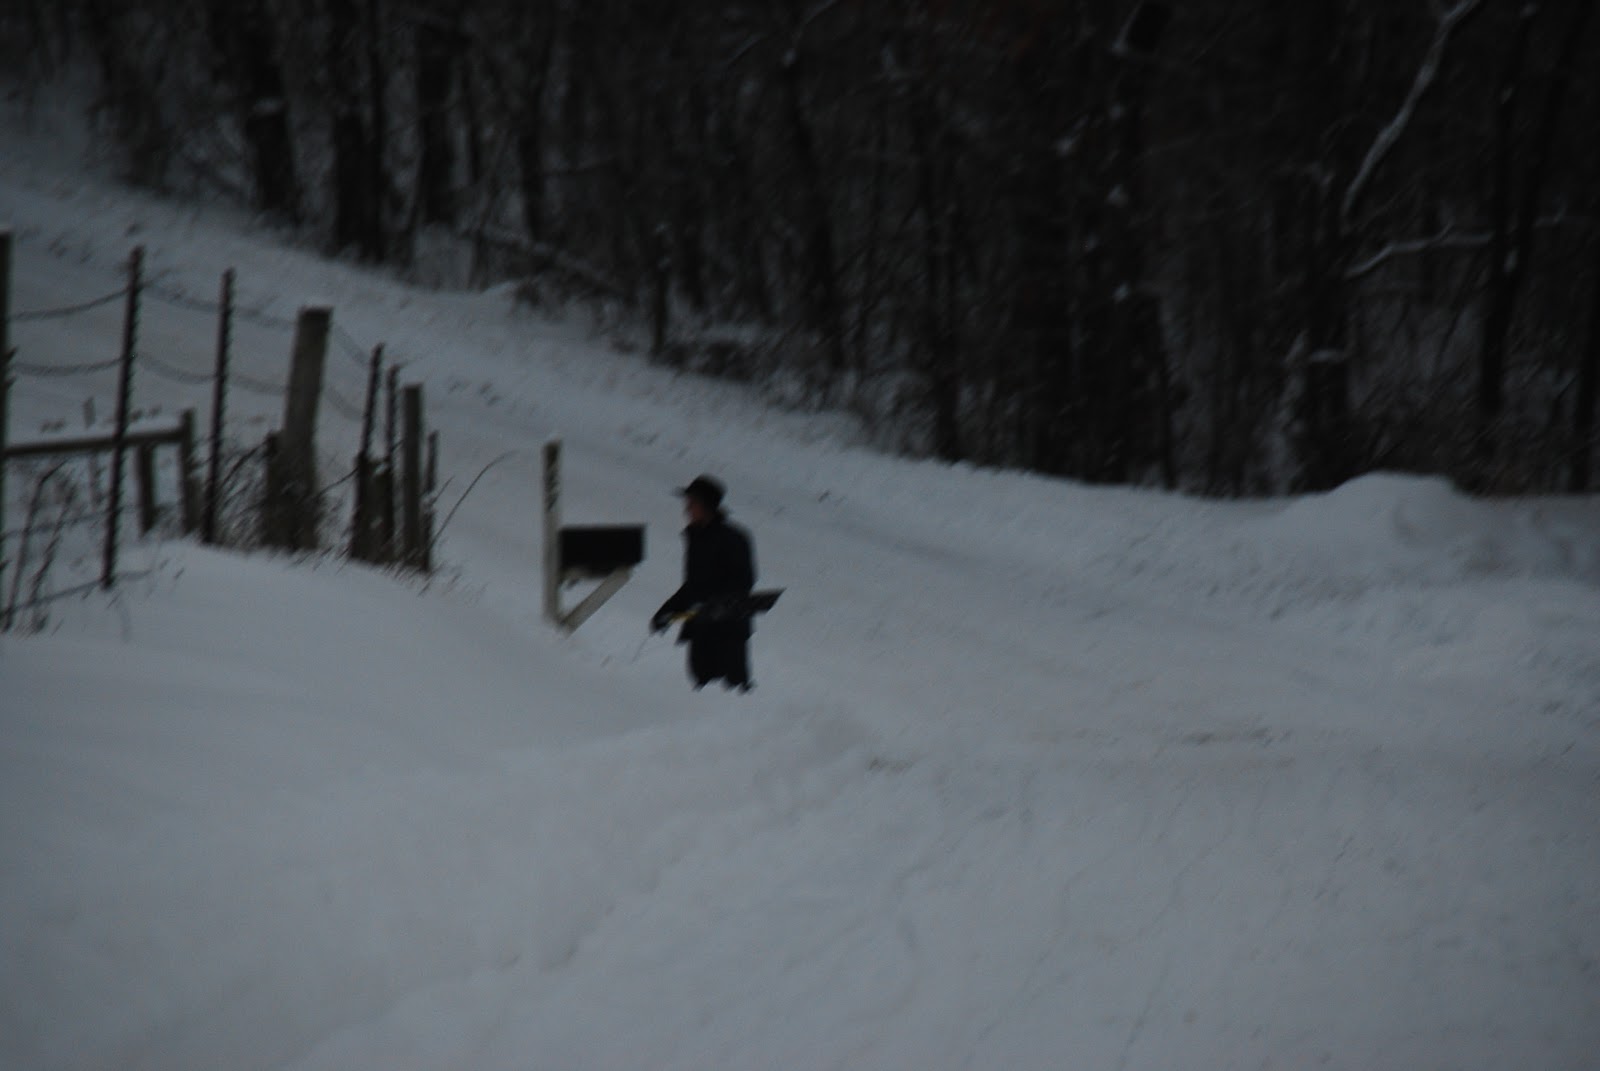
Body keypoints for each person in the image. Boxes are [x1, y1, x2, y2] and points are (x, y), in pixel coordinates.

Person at [651, 475, 757, 691]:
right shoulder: (696, 538)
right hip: (701, 631)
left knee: (733, 693)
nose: (687, 510)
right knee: (703, 692)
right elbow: (693, 586)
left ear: (706, 506)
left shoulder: (733, 538)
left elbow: (743, 582)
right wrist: (667, 612)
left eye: (692, 504)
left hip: (728, 633)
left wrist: (715, 604)